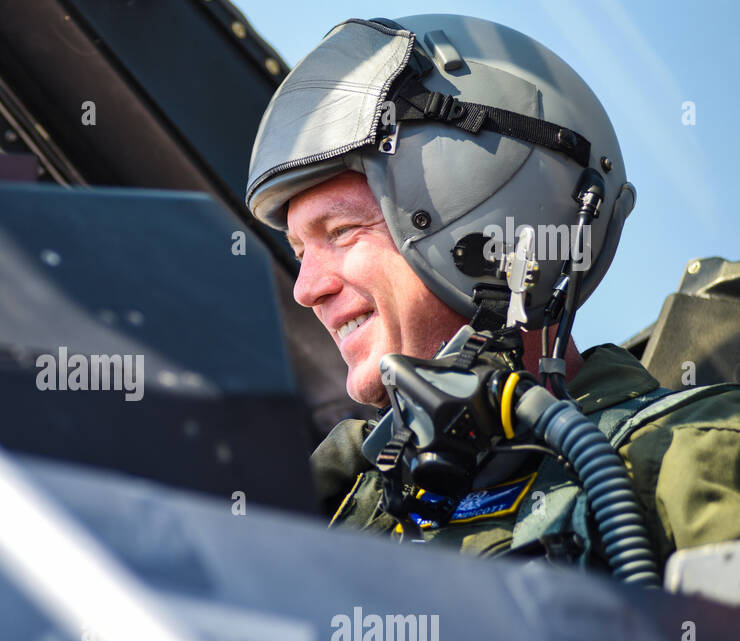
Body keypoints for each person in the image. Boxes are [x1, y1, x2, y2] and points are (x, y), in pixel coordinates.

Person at [244, 14, 740, 575]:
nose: (307, 288)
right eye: (299, 252)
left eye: (340, 233)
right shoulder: (337, 502)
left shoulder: (690, 455)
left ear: (482, 224)